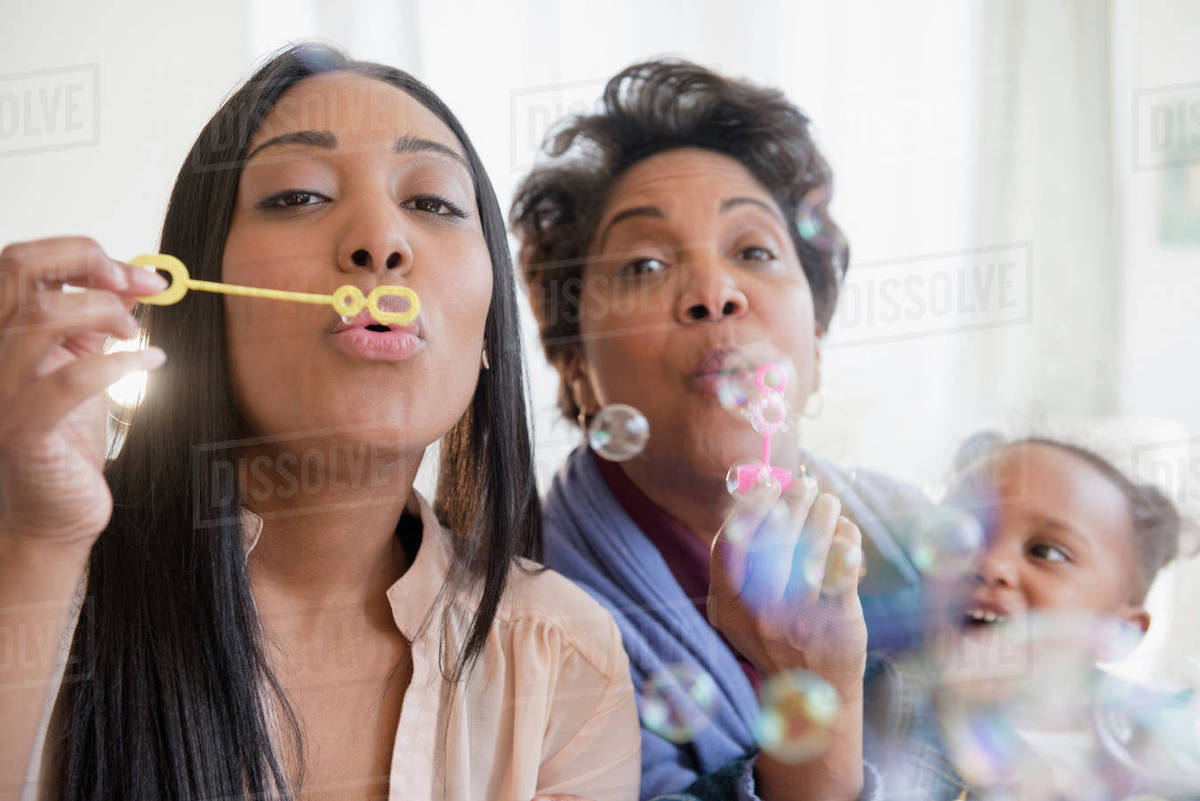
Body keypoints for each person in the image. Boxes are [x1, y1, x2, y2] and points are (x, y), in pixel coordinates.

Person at [0, 43, 638, 801]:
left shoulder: (561, 655)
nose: (380, 241)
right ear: (196, 290)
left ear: (490, 330)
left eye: (432, 202)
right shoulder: (37, 568)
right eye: (298, 195)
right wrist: (36, 540)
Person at [511, 59, 929, 800]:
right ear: (575, 369)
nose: (713, 292)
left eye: (755, 251)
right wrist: (811, 686)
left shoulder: (919, 534)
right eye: (643, 264)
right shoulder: (517, 636)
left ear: (818, 342)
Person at [872, 434, 1193, 800]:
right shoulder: (867, 699)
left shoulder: (1164, 754)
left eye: (1046, 552)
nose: (989, 565)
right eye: (961, 537)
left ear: (1118, 630)